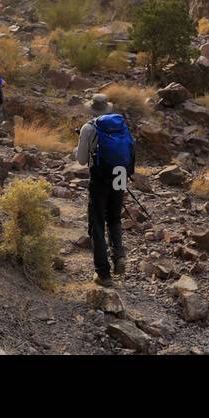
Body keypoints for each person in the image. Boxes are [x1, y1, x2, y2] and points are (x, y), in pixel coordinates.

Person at [74, 94, 134, 286]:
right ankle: (119, 256)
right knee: (114, 218)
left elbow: (81, 160)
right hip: (120, 175)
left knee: (97, 223)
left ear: (92, 109)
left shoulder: (89, 128)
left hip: (100, 178)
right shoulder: (120, 125)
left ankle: (103, 274)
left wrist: (81, 148)